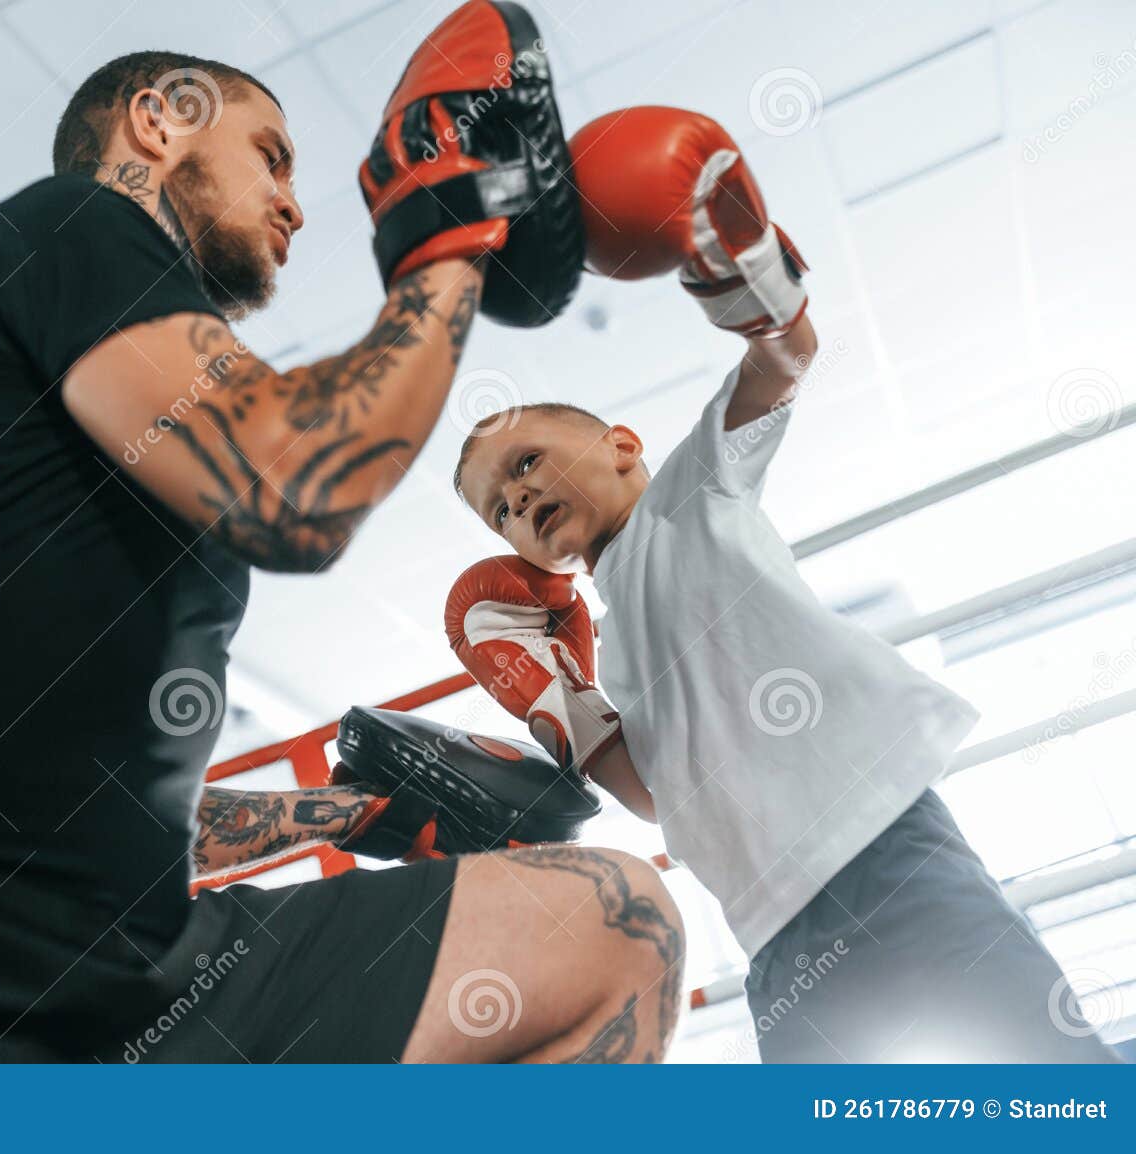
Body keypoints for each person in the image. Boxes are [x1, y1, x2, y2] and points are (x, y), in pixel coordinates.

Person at [0, 2, 685, 1065]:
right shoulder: (68, 225)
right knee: (614, 917)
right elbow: (295, 487)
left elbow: (98, 799)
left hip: (116, 961)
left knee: (608, 929)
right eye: (268, 155)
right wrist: (447, 222)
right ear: (158, 119)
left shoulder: (128, 418)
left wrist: (336, 812)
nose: (292, 202)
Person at [448, 105, 1120, 1063]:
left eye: (525, 464)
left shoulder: (691, 494)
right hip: (773, 934)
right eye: (498, 512)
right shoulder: (615, 654)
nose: (517, 501)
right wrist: (554, 695)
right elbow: (649, 797)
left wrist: (742, 264)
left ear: (621, 448)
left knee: (1048, 1080)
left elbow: (785, 359)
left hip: (887, 851)